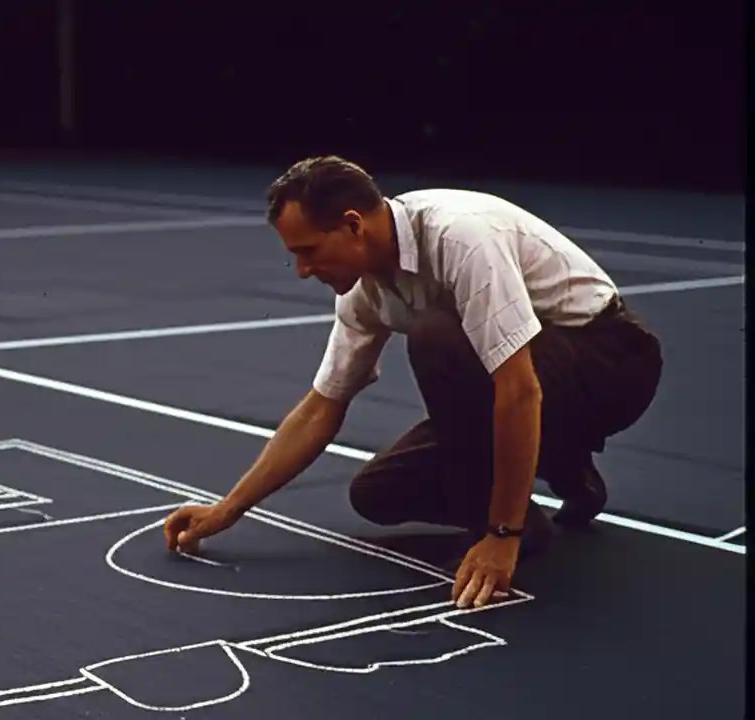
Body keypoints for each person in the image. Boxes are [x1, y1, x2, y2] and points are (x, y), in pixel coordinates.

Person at [162, 155, 662, 609]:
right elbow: (321, 408)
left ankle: (524, 512)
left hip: (612, 362)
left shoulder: (459, 237)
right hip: (535, 381)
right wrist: (228, 509)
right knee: (377, 494)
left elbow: (519, 390)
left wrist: (502, 534)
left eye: (309, 251)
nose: (302, 271)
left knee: (437, 334)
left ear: (353, 225)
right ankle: (564, 464)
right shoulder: (364, 292)